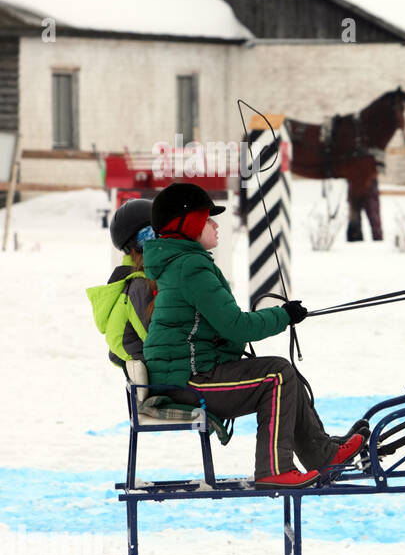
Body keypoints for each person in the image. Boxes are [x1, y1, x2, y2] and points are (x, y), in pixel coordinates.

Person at [142, 181, 362, 487]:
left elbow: (221, 328)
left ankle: (322, 455)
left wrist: (279, 317)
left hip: (183, 376)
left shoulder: (182, 265)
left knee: (284, 374)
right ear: (187, 223)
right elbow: (236, 326)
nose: (216, 225)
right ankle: (273, 469)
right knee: (277, 374)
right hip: (188, 381)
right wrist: (283, 315)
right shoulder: (190, 267)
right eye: (207, 218)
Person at [88, 197, 157, 368]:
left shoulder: (140, 281)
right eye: (153, 234)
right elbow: (158, 342)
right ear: (139, 244)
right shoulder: (140, 287)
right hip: (166, 378)